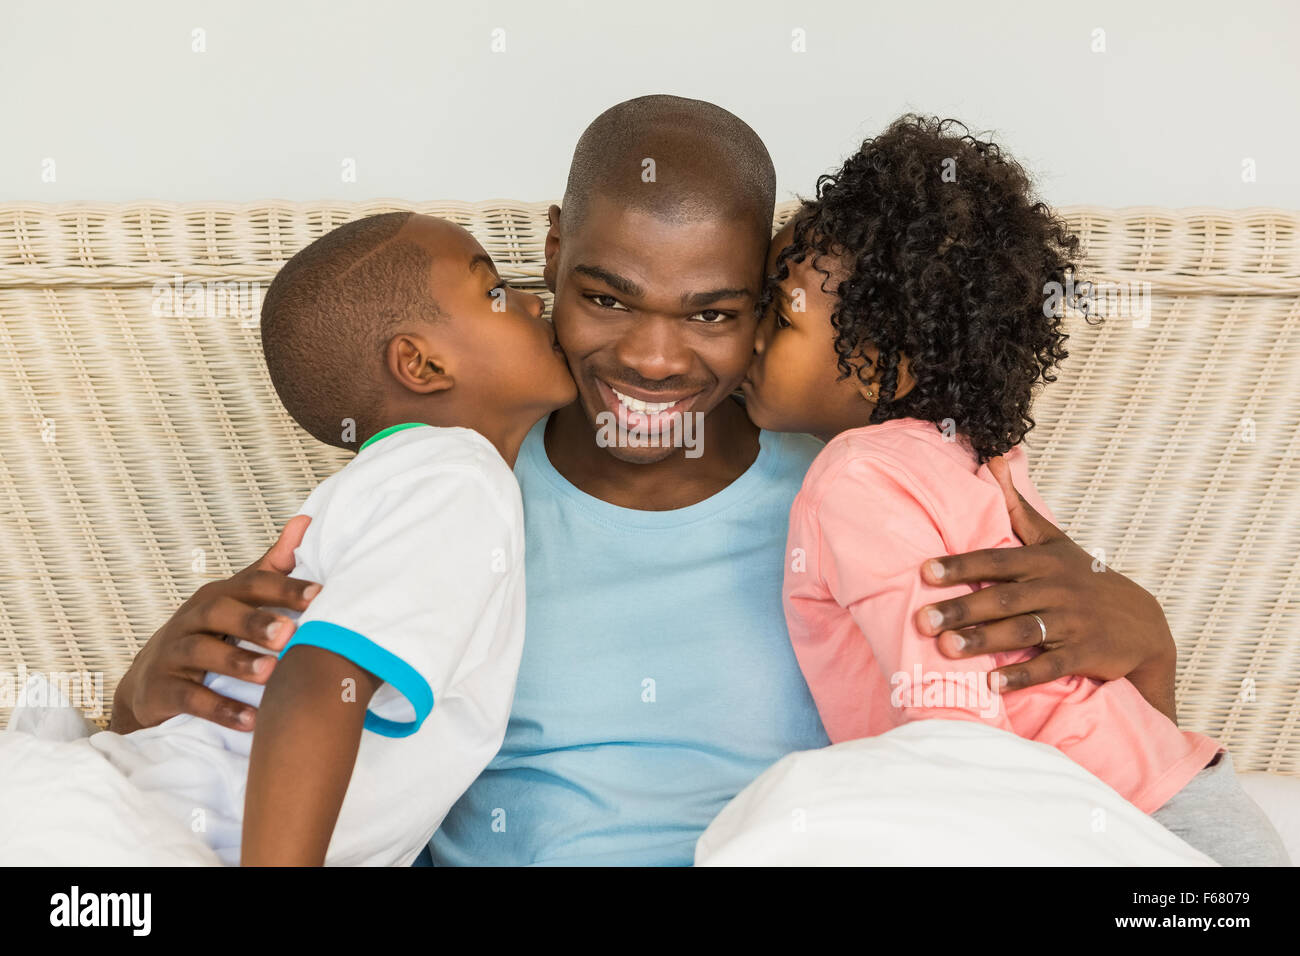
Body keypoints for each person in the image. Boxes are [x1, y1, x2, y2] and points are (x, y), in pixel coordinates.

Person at [111, 96, 1185, 866]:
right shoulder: (454, 486)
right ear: (550, 251)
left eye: (713, 311)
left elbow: (1070, 778)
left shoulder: (865, 501)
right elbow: (278, 712)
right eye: (607, 297)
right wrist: (143, 686)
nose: (655, 359)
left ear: (775, 304)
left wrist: (1146, 637)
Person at [744, 115, 1289, 866]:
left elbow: (946, 716)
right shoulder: (973, 452)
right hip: (1181, 797)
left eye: (778, 319)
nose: (750, 340)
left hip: (1116, 823)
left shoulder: (853, 476)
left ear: (882, 366)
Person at [14, 212, 576, 865]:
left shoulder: (397, 484)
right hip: (128, 839)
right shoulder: (460, 479)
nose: (536, 300)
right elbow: (320, 677)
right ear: (420, 364)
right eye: (495, 292)